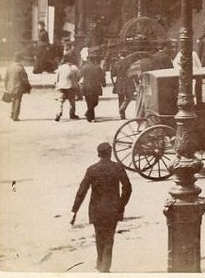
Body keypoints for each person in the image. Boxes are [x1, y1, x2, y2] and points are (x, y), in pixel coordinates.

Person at [71, 141, 131, 272]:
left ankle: (100, 264)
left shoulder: (92, 169)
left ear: (98, 154)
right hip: (112, 209)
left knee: (99, 237)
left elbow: (82, 191)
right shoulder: (118, 167)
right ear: (110, 153)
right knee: (109, 238)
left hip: (96, 209)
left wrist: (75, 210)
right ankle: (105, 267)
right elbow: (127, 188)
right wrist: (121, 204)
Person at [4, 56, 32, 121]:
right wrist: (28, 87)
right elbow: (25, 79)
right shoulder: (20, 68)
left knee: (13, 100)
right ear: (20, 60)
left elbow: (6, 78)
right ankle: (15, 116)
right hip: (18, 88)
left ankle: (12, 113)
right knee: (17, 101)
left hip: (10, 87)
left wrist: (6, 87)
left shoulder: (9, 67)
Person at [80, 54, 106, 123]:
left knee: (88, 102)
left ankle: (90, 117)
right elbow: (101, 77)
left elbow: (80, 75)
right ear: (94, 60)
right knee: (95, 102)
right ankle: (89, 113)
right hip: (95, 87)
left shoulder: (84, 67)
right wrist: (103, 84)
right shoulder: (97, 67)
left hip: (86, 86)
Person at [55, 53, 81, 121]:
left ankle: (58, 113)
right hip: (71, 86)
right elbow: (79, 76)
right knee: (72, 101)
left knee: (60, 101)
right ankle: (72, 114)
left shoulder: (60, 67)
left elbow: (56, 78)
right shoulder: (74, 68)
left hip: (61, 86)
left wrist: (57, 84)